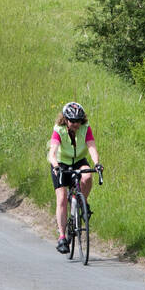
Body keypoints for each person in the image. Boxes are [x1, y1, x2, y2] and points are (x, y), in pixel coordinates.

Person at [47, 102, 101, 253]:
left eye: (78, 120)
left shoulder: (85, 128)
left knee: (87, 176)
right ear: (65, 119)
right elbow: (52, 152)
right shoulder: (58, 130)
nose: (75, 124)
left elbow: (91, 146)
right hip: (60, 163)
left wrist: (97, 163)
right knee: (62, 198)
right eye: (72, 121)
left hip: (78, 161)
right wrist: (56, 166)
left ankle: (82, 202)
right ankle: (62, 237)